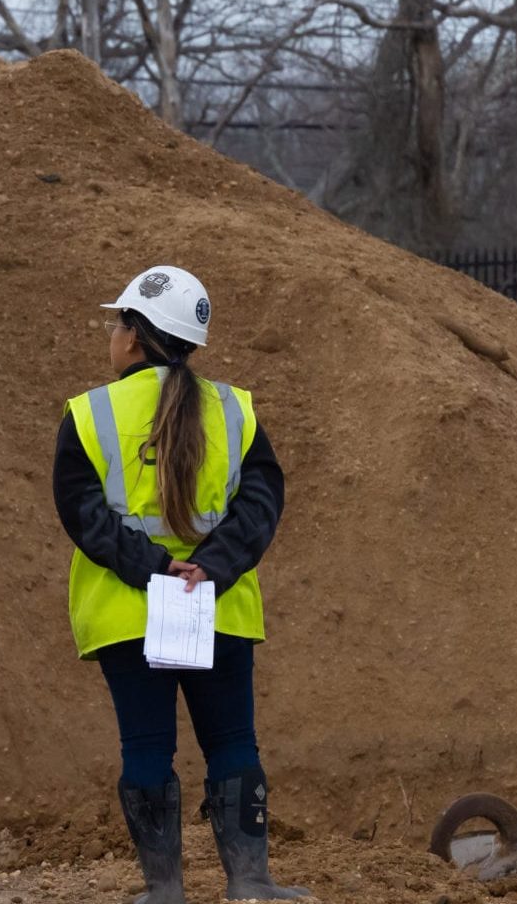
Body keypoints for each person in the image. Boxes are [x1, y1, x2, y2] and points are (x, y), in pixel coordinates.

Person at [55, 265, 304, 904]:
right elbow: (262, 503)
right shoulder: (234, 408)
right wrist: (210, 568)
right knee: (232, 742)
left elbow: (81, 509)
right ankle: (250, 882)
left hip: (128, 611)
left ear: (135, 337)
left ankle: (163, 891)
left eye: (118, 323)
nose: (112, 334)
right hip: (215, 608)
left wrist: (150, 569)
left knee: (146, 746)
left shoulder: (91, 413)